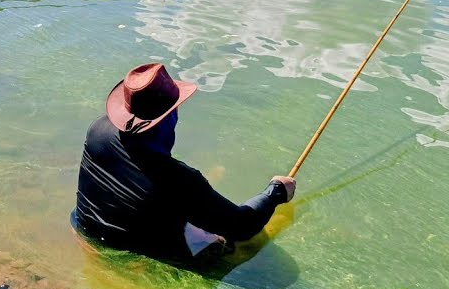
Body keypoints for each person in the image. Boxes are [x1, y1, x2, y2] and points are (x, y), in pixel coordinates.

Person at [73, 63, 295, 263]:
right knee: (242, 250)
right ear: (170, 115)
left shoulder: (98, 130)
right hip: (133, 253)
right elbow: (242, 226)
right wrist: (276, 192)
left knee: (191, 214)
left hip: (84, 228)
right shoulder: (179, 180)